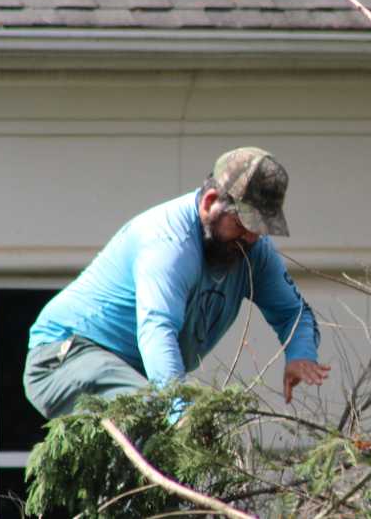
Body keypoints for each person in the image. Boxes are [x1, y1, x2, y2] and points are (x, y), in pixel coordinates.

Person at [23, 147, 330, 419]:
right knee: (159, 418)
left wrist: (300, 354)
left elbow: (294, 312)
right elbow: (158, 330)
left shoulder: (253, 250)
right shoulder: (168, 243)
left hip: (137, 374)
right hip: (66, 356)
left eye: (259, 229)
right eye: (242, 224)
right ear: (210, 202)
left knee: (161, 417)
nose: (250, 238)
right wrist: (179, 413)